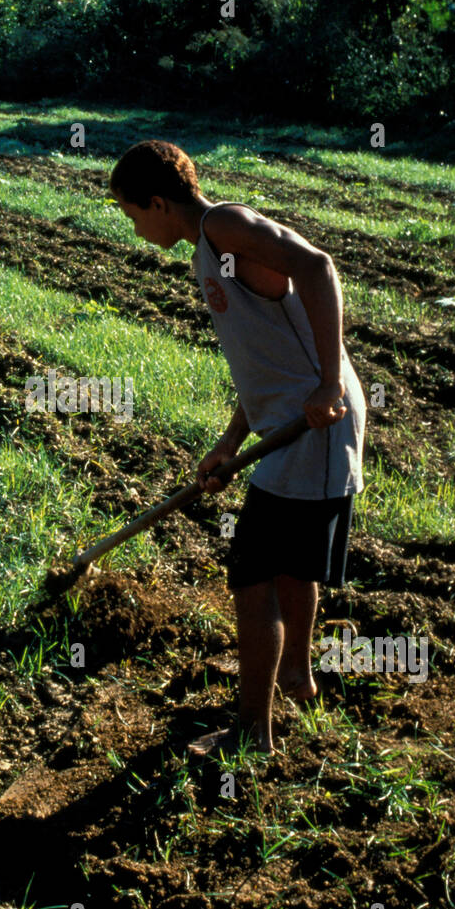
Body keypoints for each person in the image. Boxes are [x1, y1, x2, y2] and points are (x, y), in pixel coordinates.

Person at [109, 139, 366, 757]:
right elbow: (263, 365)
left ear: (157, 202)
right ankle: (297, 680)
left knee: (251, 573)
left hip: (316, 423)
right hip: (290, 421)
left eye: (131, 214)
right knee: (288, 567)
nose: (133, 227)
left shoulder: (221, 224)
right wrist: (229, 443)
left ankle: (253, 731)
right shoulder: (206, 249)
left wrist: (329, 383)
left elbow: (318, 267)